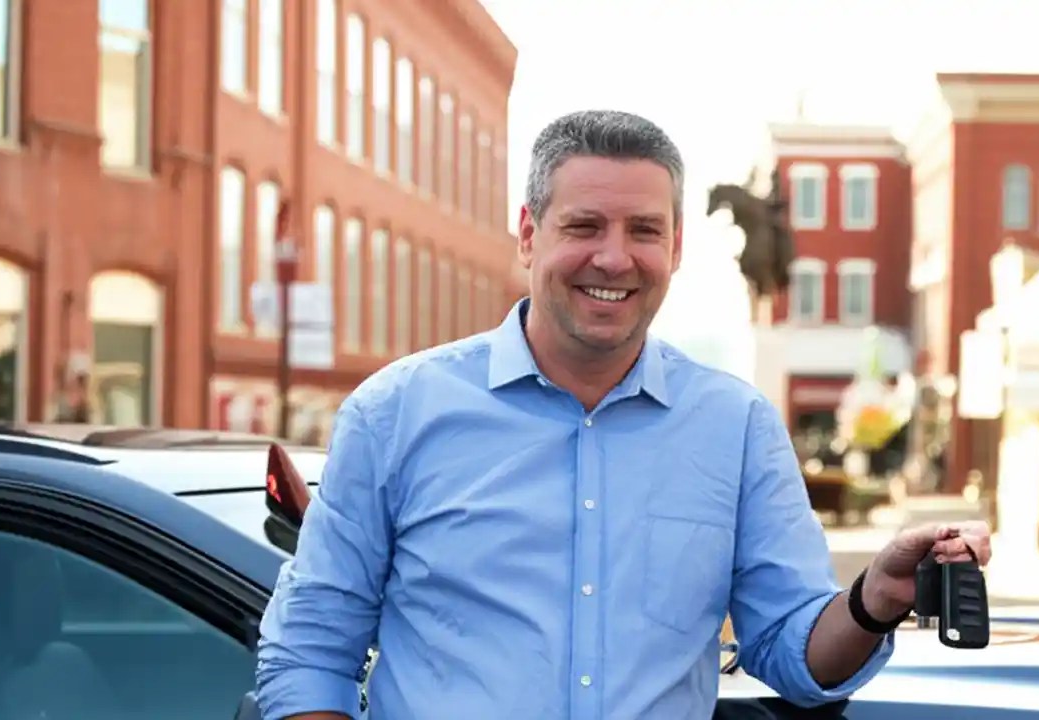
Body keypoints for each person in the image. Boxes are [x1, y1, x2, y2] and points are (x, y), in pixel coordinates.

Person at [254, 109, 992, 720]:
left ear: (676, 247)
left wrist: (876, 598)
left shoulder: (735, 428)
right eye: (584, 227)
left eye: (643, 230)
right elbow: (310, 652)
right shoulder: (394, 415)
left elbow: (794, 655)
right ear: (527, 233)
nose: (614, 259)